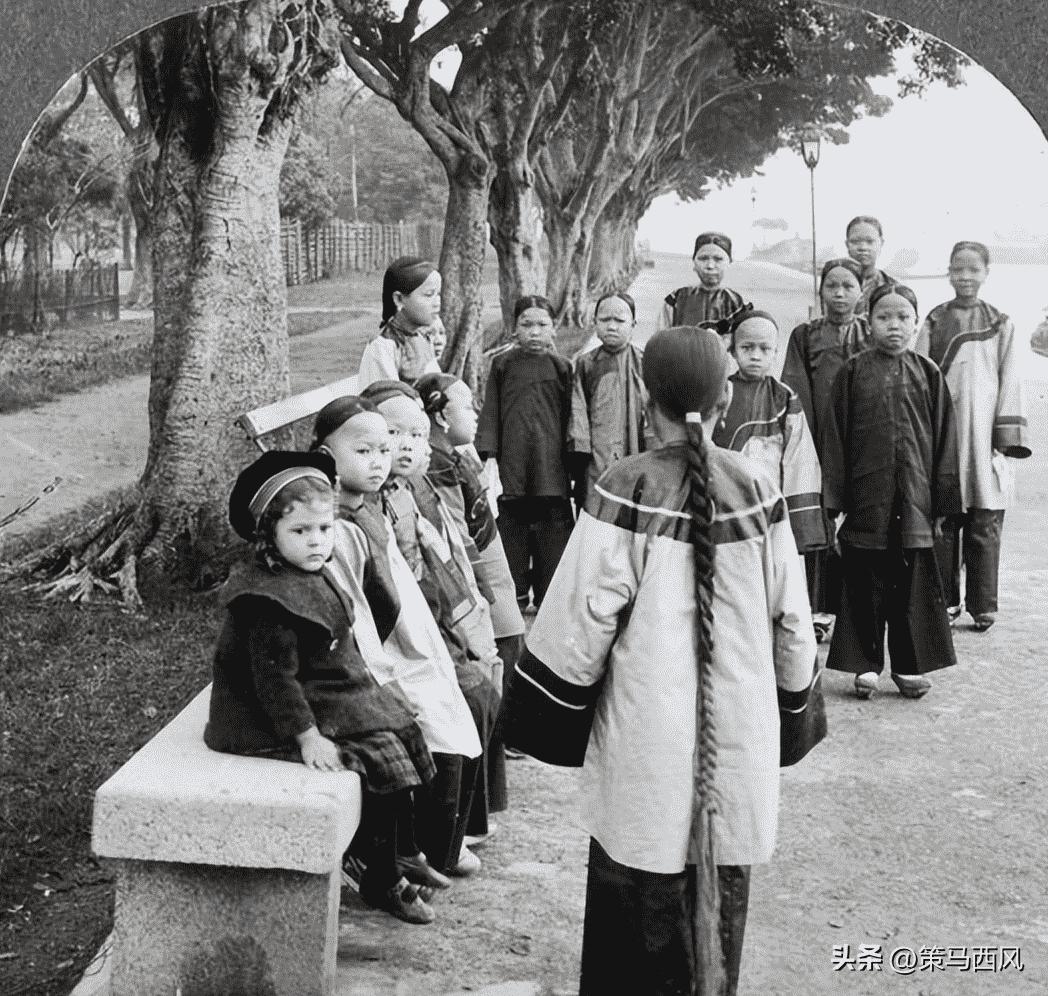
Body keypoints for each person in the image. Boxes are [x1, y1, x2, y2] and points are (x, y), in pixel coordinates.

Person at [504, 327, 820, 996]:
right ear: (725, 399)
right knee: (718, 892)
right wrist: (793, 715)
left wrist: (548, 721)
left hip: (646, 741)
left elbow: (577, 623)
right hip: (737, 738)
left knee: (636, 889)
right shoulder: (758, 487)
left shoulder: (626, 485)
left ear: (648, 402)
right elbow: (793, 620)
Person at [205, 450, 439, 924]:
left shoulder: (310, 571)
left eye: (325, 528)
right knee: (379, 758)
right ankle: (380, 878)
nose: (316, 541)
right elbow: (275, 682)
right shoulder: (267, 599)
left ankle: (399, 850)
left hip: (316, 689)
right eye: (300, 531)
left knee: (401, 728)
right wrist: (308, 738)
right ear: (268, 535)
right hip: (261, 718)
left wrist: (373, 693)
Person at [311, 396, 483, 877]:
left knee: (459, 695)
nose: (377, 462)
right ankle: (407, 852)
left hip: (394, 641)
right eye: (363, 451)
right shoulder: (330, 527)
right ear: (326, 455)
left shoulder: (371, 511)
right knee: (423, 712)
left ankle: (434, 846)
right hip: (362, 656)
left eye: (383, 451)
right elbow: (351, 615)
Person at [360, 379, 502, 866]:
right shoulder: (367, 505)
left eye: (414, 436)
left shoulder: (409, 490)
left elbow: (442, 561)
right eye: (392, 436)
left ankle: (460, 830)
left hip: (422, 624)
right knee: (464, 694)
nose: (403, 447)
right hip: (390, 639)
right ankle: (436, 846)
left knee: (479, 687)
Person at [821, 283, 961, 700]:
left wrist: (943, 501)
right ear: (868, 322)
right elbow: (835, 440)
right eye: (884, 317)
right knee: (864, 582)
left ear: (916, 323)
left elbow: (946, 442)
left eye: (903, 317)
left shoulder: (928, 374)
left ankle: (909, 666)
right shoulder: (852, 373)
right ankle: (865, 665)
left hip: (915, 498)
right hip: (867, 497)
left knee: (912, 585)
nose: (894, 325)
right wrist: (834, 503)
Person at [417, 370, 527, 805]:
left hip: (493, 569)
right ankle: (492, 777)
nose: (477, 412)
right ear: (442, 416)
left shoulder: (455, 456)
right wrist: (480, 588)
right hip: (482, 576)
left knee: (508, 649)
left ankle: (501, 754)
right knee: (498, 657)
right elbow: (457, 534)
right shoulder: (440, 463)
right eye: (467, 405)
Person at [914, 241, 1032, 631]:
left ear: (986, 273)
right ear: (948, 272)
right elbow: (919, 377)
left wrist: (1005, 437)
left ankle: (983, 604)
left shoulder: (1000, 323)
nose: (965, 277)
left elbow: (1010, 379)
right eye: (958, 269)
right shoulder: (934, 319)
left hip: (984, 437)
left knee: (985, 518)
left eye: (973, 269)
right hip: (945, 432)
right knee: (945, 517)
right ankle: (946, 601)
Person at [780, 257, 871, 640]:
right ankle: (818, 609)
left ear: (861, 291)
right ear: (820, 291)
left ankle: (859, 610)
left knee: (863, 524)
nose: (839, 293)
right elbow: (795, 387)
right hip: (819, 440)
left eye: (848, 286)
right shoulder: (805, 335)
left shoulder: (872, 332)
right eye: (832, 286)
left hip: (863, 440)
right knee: (819, 523)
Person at [476, 295, 575, 613]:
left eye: (542, 325)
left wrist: (573, 460)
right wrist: (489, 454)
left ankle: (548, 596)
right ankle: (514, 595)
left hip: (551, 467)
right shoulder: (502, 365)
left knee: (552, 533)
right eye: (526, 324)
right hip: (513, 465)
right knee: (511, 530)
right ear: (513, 328)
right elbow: (491, 410)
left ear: (554, 328)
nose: (534, 332)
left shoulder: (563, 368)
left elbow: (573, 420)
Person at [712, 310, 828, 554]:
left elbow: (799, 460)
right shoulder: (719, 393)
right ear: (732, 350)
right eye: (747, 347)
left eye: (765, 349)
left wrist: (799, 527)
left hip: (769, 508)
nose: (755, 356)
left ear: (776, 352)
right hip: (723, 505)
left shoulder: (783, 398)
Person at [569, 291, 649, 508]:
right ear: (594, 322)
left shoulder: (646, 363)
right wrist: (579, 457)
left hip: (637, 450)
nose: (612, 327)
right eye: (605, 320)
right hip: (597, 458)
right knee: (596, 508)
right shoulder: (586, 364)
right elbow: (577, 413)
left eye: (619, 321)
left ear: (633, 324)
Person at [357, 256, 442, 388]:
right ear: (399, 299)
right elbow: (385, 396)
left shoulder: (423, 338)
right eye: (429, 294)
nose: (437, 302)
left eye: (438, 294)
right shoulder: (383, 346)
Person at [658, 232, 751, 347]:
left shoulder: (737, 303)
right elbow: (660, 341)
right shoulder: (676, 299)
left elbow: (745, 344)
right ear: (694, 262)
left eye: (718, 259)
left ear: (729, 263)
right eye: (703, 258)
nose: (710, 266)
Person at [844, 216, 892, 316]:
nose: (863, 248)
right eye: (855, 242)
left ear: (881, 243)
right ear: (847, 245)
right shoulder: (833, 286)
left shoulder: (892, 288)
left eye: (870, 241)